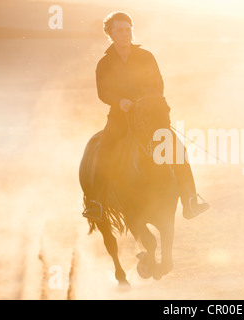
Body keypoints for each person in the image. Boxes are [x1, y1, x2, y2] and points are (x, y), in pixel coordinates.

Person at [83, 11, 209, 221]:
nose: (125, 33)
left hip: (150, 115)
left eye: (128, 29)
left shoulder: (146, 56)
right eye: (120, 30)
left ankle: (190, 202)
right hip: (120, 117)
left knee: (177, 149)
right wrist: (120, 102)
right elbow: (103, 92)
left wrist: (145, 99)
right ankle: (97, 204)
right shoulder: (104, 63)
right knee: (103, 151)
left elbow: (158, 83)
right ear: (110, 34)